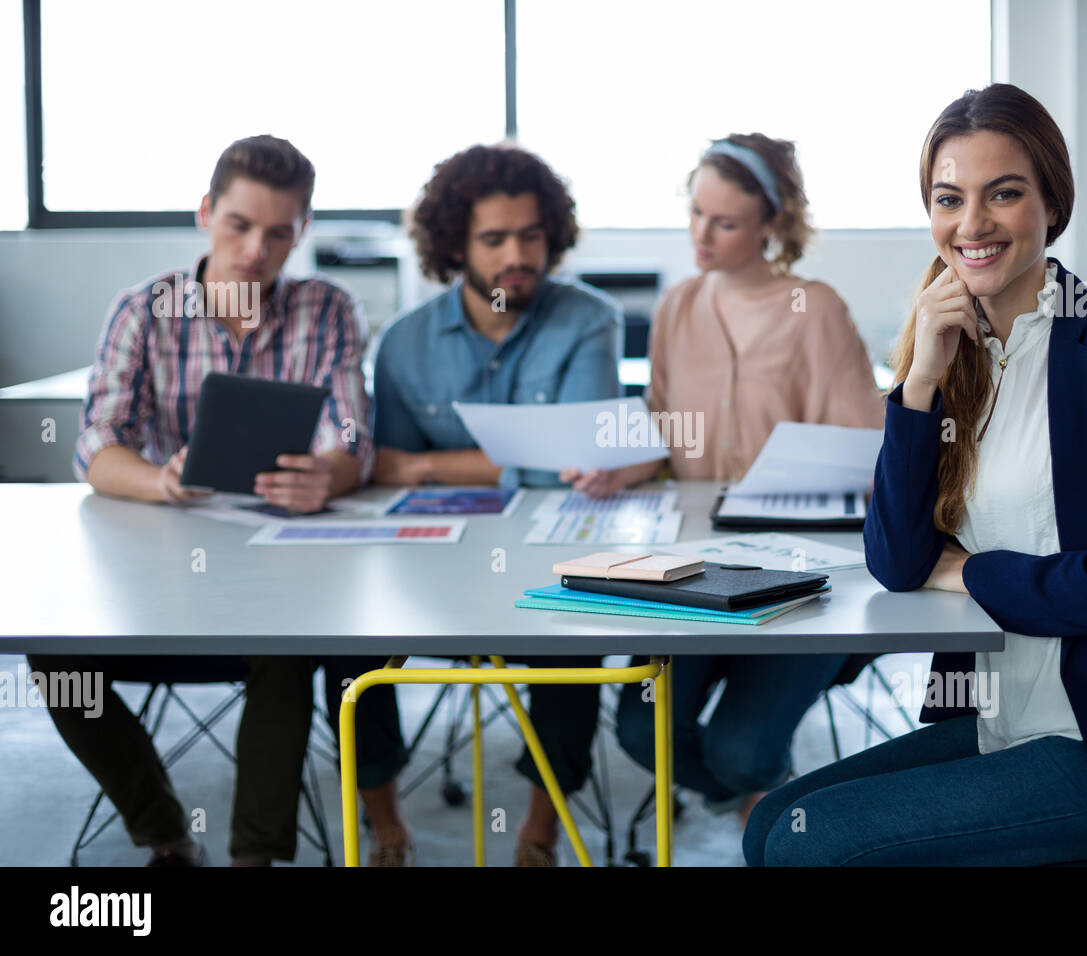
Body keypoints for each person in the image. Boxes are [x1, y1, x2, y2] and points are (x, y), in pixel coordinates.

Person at [743, 84, 1087, 866]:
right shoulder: (953, 352)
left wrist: (976, 572)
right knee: (775, 824)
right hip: (998, 720)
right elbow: (898, 564)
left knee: (816, 844)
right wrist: (920, 382)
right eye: (949, 198)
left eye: (1004, 194)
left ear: (1050, 204)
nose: (972, 225)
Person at [28, 135, 411, 866]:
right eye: (239, 225)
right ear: (206, 213)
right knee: (54, 658)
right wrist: (160, 481)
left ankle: (253, 858)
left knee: (287, 646)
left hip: (275, 573)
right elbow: (96, 446)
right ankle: (165, 833)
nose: (255, 251)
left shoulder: (325, 309)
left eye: (278, 233)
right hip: (156, 572)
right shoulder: (143, 311)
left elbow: (353, 435)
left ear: (300, 234)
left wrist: (326, 476)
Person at [564, 133, 885, 826]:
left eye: (726, 222)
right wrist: (620, 463)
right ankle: (756, 787)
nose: (700, 235)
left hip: (800, 570)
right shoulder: (678, 307)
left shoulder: (814, 309)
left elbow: (866, 445)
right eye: (696, 213)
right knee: (639, 732)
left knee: (741, 751)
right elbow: (663, 423)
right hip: (694, 563)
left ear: (772, 224)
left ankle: (758, 782)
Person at [371, 142, 622, 866]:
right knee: (348, 640)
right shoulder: (403, 344)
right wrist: (424, 469)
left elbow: (571, 460)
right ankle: (384, 819)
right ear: (456, 245)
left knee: (577, 630)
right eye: (494, 239)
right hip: (433, 570)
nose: (518, 254)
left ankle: (541, 828)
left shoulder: (589, 321)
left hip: (549, 555)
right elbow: (383, 475)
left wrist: (425, 464)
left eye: (532, 235)